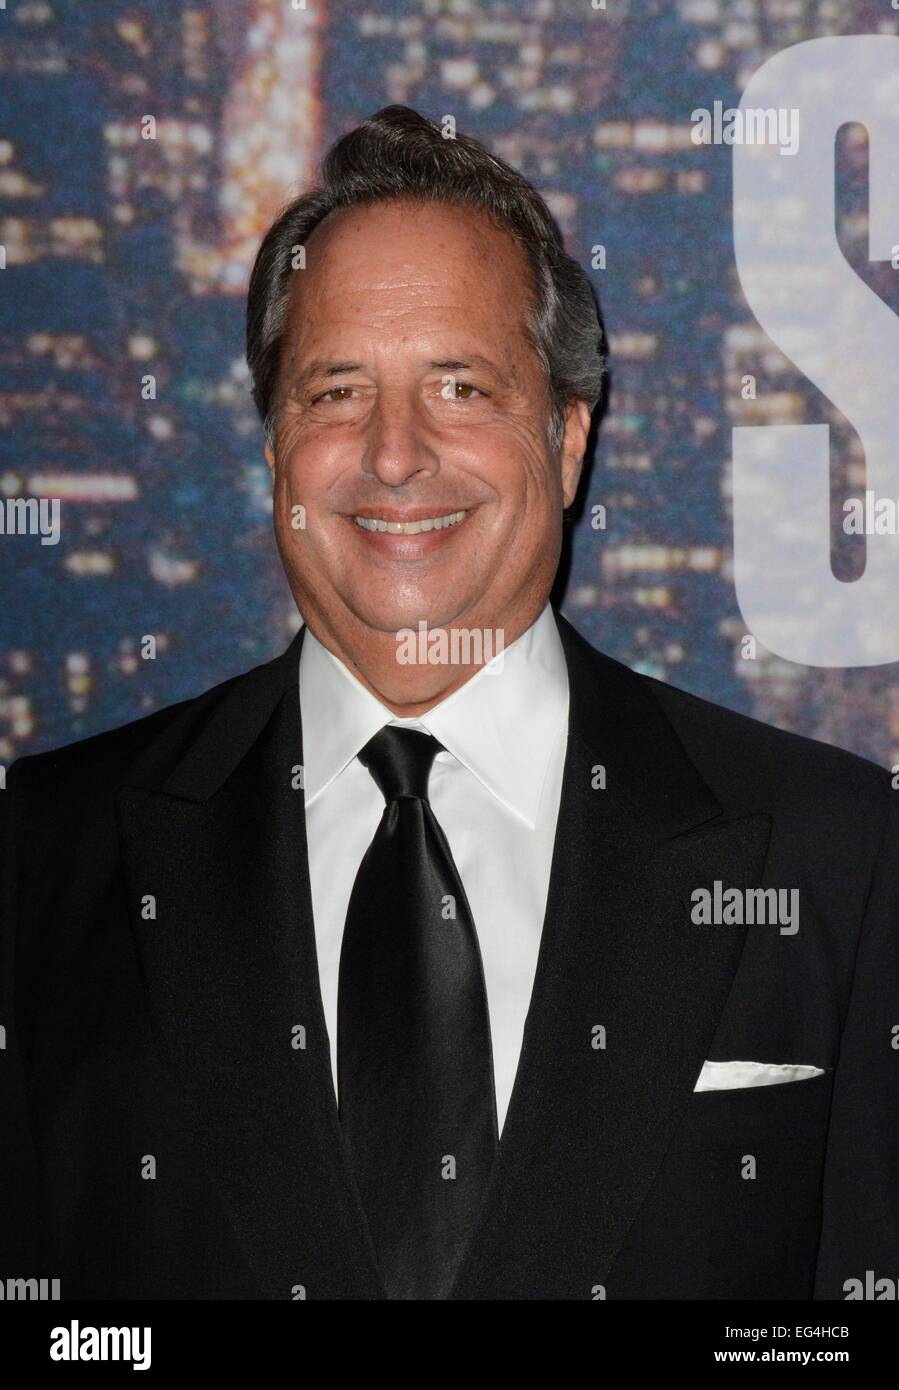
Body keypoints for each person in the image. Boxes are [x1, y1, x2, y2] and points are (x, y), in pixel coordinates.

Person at [2, 106, 897, 1301]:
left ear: (568, 439)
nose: (392, 454)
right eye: (333, 393)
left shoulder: (836, 852)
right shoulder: (40, 857)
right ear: (274, 448)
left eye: (460, 385)